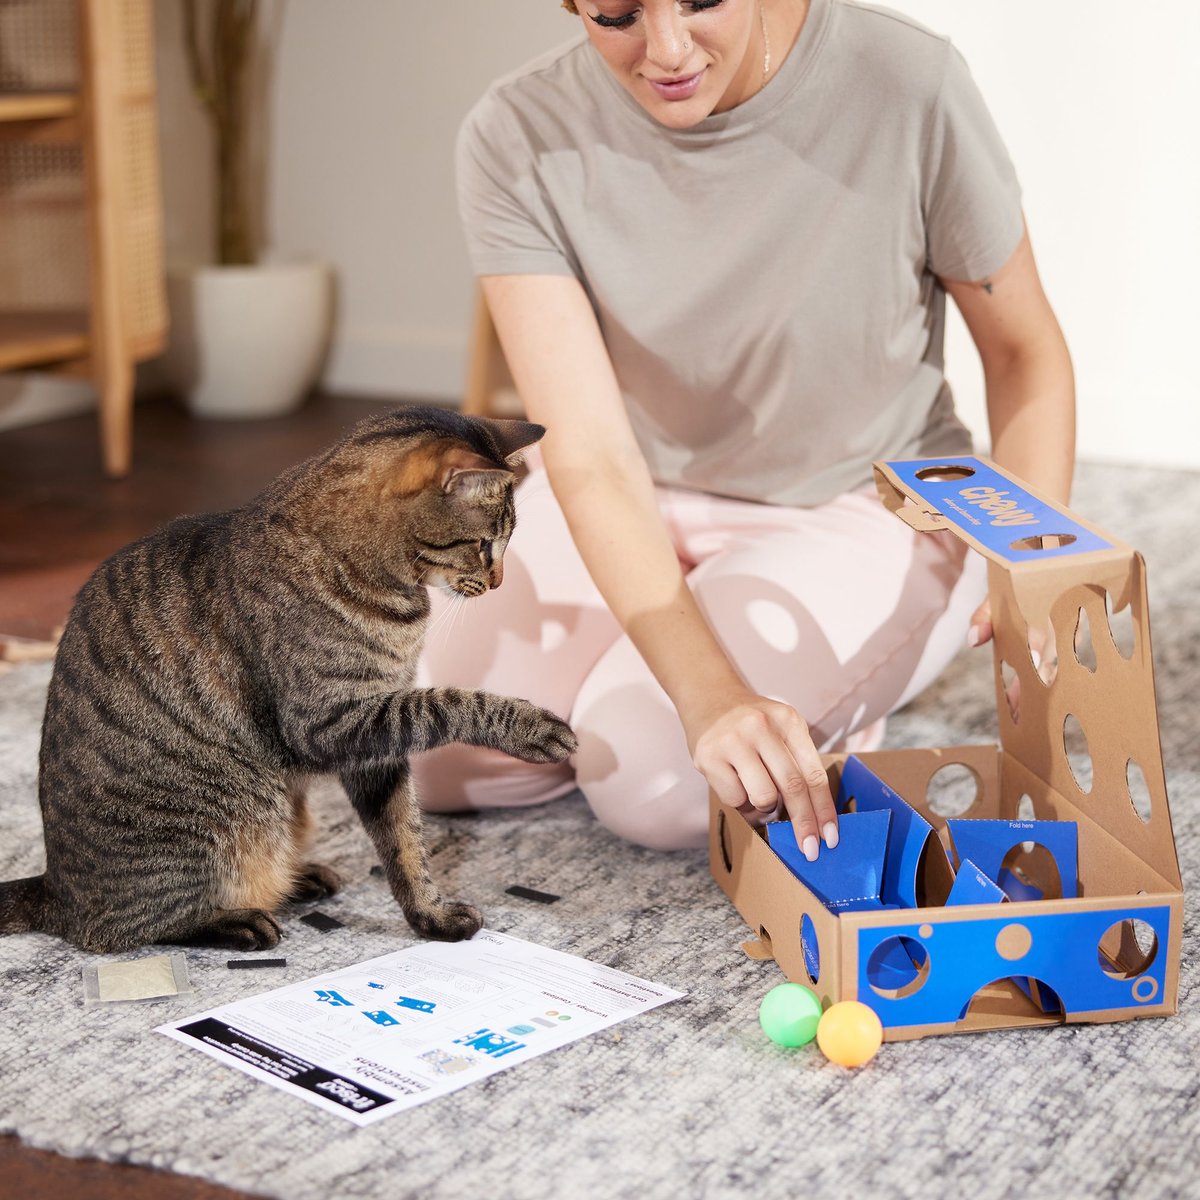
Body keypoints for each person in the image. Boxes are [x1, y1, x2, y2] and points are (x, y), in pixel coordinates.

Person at [413, 0, 1074, 854]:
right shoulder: (516, 131)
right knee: (427, 753)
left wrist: (1027, 558)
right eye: (615, 15)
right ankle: (718, 664)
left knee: (653, 785)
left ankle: (820, 700)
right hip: (637, 488)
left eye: (701, 1)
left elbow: (1025, 352)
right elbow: (592, 459)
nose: (667, 50)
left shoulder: (908, 85)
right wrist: (706, 691)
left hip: (863, 501)